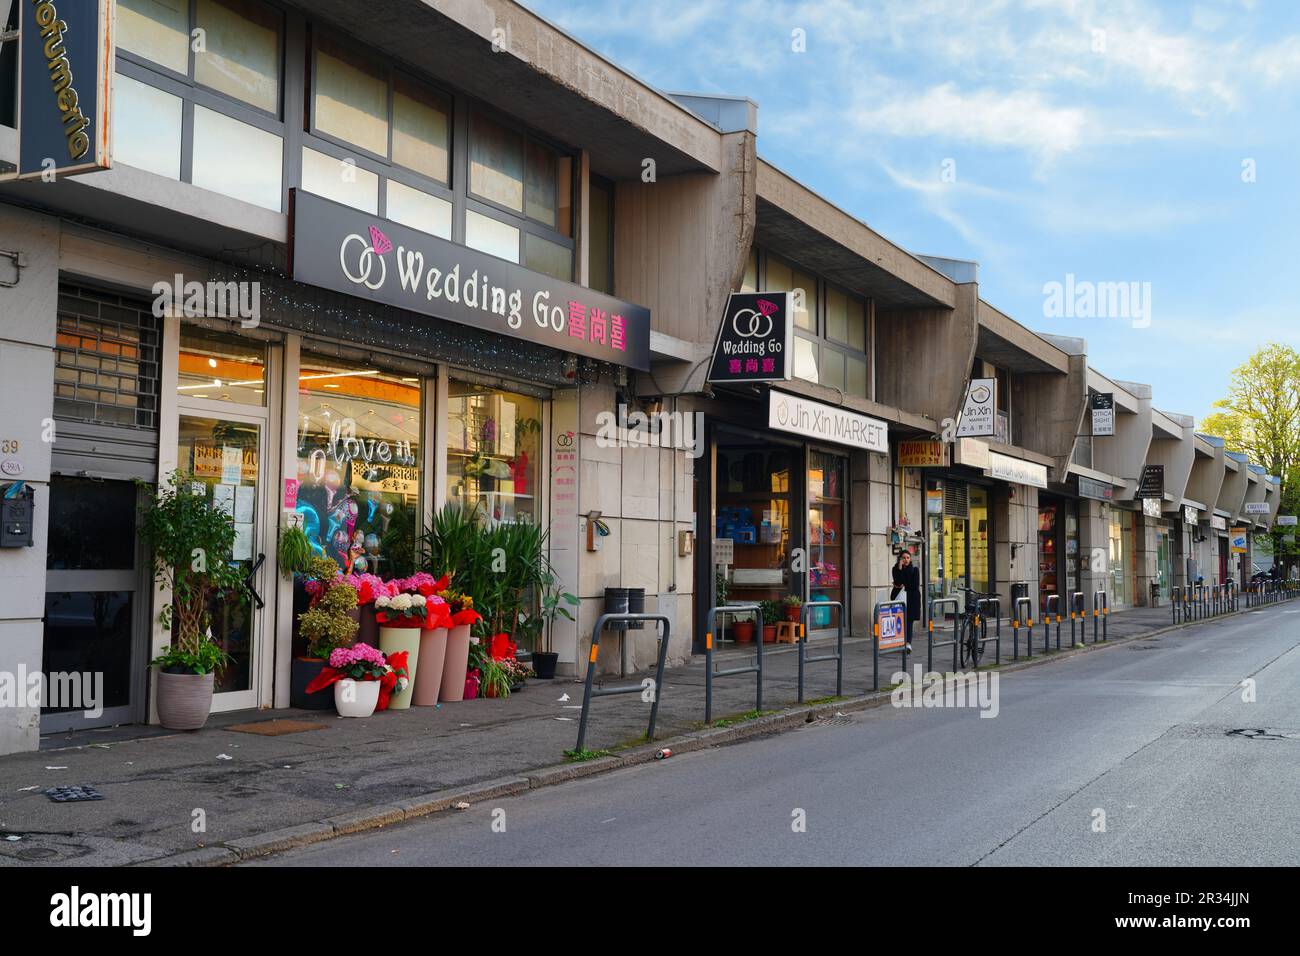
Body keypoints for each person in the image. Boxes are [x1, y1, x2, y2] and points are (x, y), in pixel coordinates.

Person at [891, 549, 922, 652]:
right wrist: (900, 569)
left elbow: (914, 585)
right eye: (904, 558)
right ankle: (900, 642)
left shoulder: (915, 570)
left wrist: (902, 584)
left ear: (910, 559)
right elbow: (898, 582)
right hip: (899, 598)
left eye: (908, 558)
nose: (906, 560)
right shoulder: (895, 569)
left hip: (911, 600)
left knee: (909, 622)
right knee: (898, 620)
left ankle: (908, 643)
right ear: (900, 559)